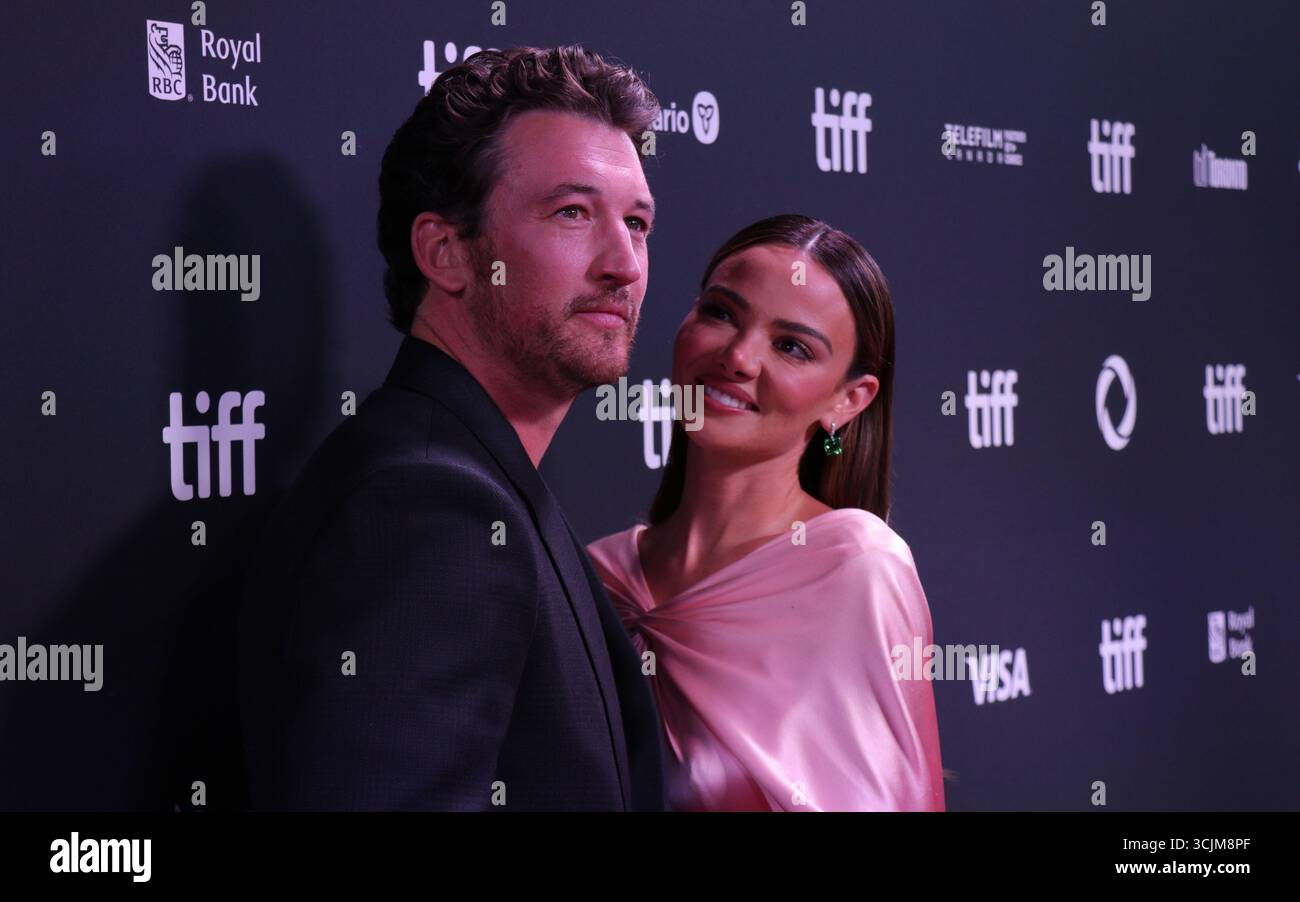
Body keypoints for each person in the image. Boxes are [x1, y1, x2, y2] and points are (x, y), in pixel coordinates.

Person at [238, 45, 667, 810]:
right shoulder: (427, 507)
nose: (624, 265)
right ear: (446, 253)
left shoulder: (480, 478)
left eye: (636, 223)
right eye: (572, 213)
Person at [586, 214, 945, 811]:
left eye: (792, 347)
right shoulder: (598, 575)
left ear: (848, 400)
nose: (739, 357)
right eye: (721, 313)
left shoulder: (859, 569)